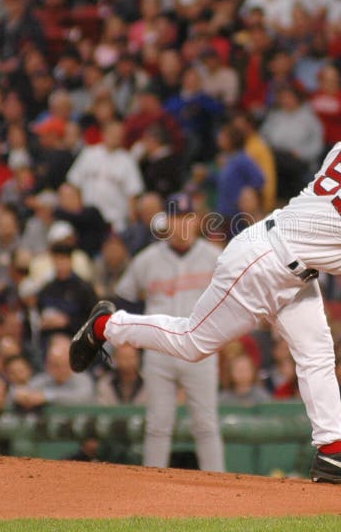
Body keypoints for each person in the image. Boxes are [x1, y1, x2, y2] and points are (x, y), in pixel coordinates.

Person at [69, 97, 341, 488]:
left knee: (317, 354)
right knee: (191, 342)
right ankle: (106, 325)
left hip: (288, 262)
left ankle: (333, 452)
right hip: (261, 266)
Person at [112, 192, 225, 472]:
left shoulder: (216, 258)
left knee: (206, 425)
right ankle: (151, 488)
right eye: (176, 218)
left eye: (187, 217)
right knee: (157, 426)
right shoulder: (147, 260)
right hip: (159, 352)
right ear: (166, 222)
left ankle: (219, 487)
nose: (181, 224)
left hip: (201, 351)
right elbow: (124, 298)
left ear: (196, 221)